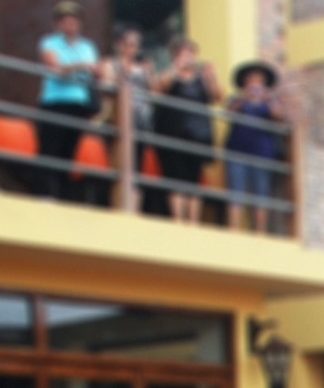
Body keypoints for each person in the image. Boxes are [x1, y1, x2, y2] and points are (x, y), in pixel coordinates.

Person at [36, 0, 100, 201]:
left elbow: (97, 71)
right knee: (50, 148)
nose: (70, 25)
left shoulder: (87, 46)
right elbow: (53, 67)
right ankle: (46, 193)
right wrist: (80, 66)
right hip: (55, 101)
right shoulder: (50, 42)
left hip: (78, 103)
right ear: (58, 25)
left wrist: (76, 68)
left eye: (74, 21)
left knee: (69, 149)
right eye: (65, 21)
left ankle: (63, 195)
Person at [152, 37, 219, 224]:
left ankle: (193, 221)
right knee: (175, 178)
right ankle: (178, 220)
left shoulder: (201, 78)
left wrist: (212, 77)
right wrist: (175, 68)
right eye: (183, 53)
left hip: (197, 136)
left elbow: (217, 97)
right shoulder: (168, 74)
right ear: (174, 55)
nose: (188, 57)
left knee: (194, 178)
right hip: (172, 134)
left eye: (190, 53)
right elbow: (157, 89)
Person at [222, 60, 283, 232]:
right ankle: (234, 229)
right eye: (252, 79)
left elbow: (279, 116)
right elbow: (228, 112)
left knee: (261, 193)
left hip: (262, 154)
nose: (255, 82)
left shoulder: (269, 101)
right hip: (236, 151)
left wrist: (268, 98)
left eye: (259, 79)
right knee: (235, 191)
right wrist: (244, 97)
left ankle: (260, 232)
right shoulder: (237, 98)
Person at [101, 24, 153, 212]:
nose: (132, 49)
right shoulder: (109, 63)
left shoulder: (141, 68)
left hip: (140, 120)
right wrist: (122, 72)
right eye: (128, 44)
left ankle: (134, 208)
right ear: (119, 45)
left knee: (137, 165)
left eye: (135, 45)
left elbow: (153, 92)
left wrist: (149, 72)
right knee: (119, 162)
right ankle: (118, 205)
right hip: (118, 119)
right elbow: (106, 88)